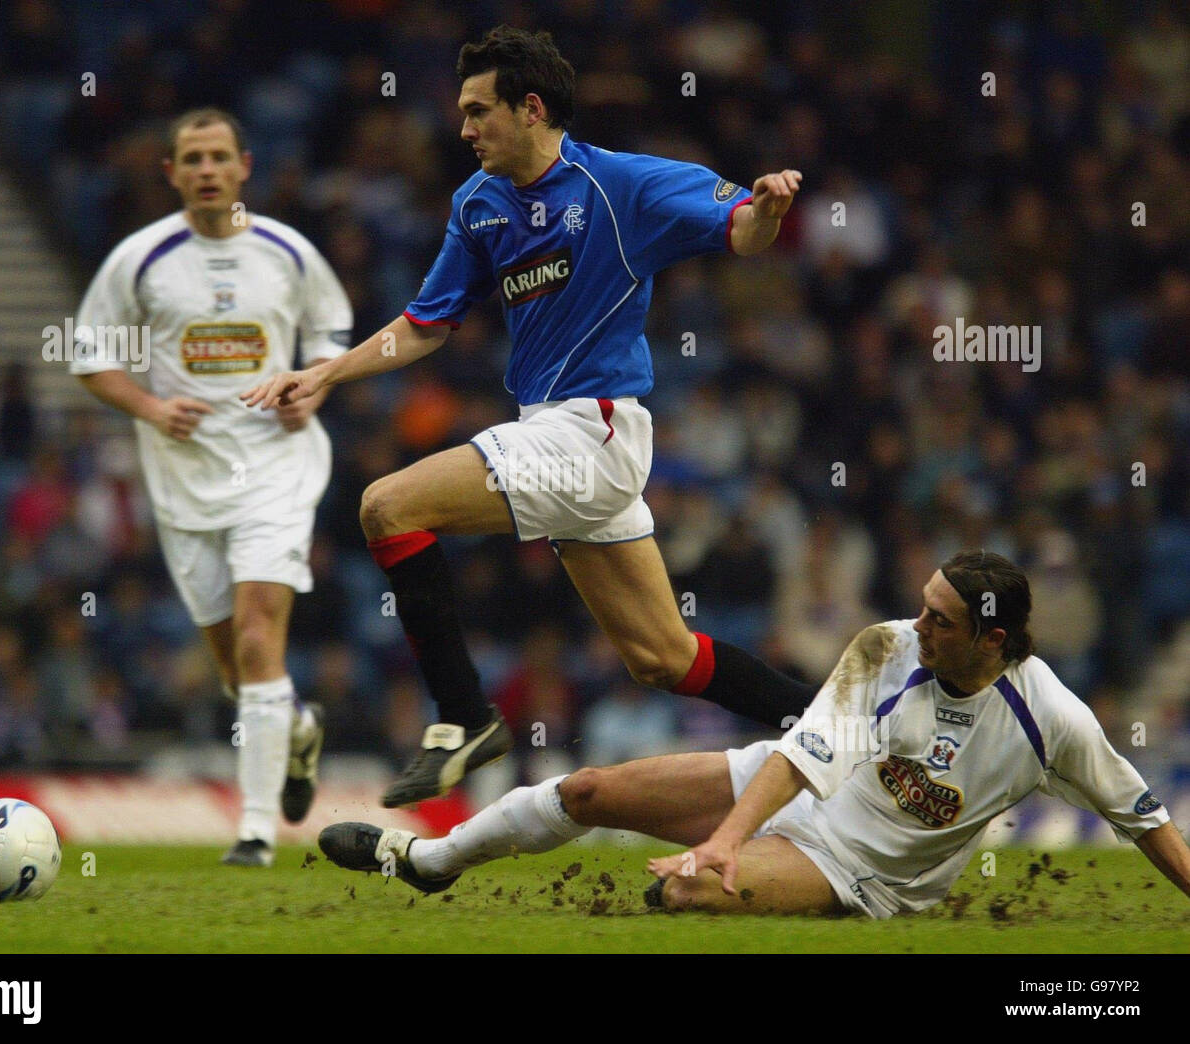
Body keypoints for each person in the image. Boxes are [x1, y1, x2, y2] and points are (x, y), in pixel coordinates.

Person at [242, 25, 816, 808]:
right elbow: (425, 323)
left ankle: (463, 718)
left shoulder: (621, 186)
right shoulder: (478, 204)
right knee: (663, 657)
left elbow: (742, 229)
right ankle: (829, 730)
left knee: (386, 505)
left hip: (596, 430)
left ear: (532, 108)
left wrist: (771, 211)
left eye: (480, 110)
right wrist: (327, 373)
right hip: (556, 435)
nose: (465, 128)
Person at [317, 551, 1190, 918]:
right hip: (780, 792)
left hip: (857, 868)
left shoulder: (1054, 721)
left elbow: (1144, 817)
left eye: (941, 620)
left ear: (993, 641)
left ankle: (725, 875)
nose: (918, 622)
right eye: (924, 607)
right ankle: (427, 865)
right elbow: (803, 758)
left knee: (681, 897)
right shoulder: (886, 647)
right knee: (587, 791)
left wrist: (713, 860)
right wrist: (729, 836)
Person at [72, 108, 352, 866]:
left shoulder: (288, 253)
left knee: (262, 634)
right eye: (190, 157)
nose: (205, 169)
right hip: (185, 481)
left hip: (276, 466)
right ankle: (293, 729)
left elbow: (331, 335)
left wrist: (312, 390)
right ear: (169, 172)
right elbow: (88, 353)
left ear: (244, 166)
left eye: (218, 156)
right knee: (236, 669)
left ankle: (255, 832)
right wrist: (152, 408)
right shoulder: (141, 259)